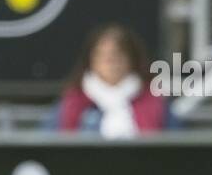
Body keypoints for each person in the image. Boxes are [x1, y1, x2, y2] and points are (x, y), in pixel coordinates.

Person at [46, 24, 177, 136]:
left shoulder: (156, 102)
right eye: (102, 55)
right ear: (91, 60)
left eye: (117, 54)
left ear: (132, 59)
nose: (110, 62)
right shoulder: (70, 104)